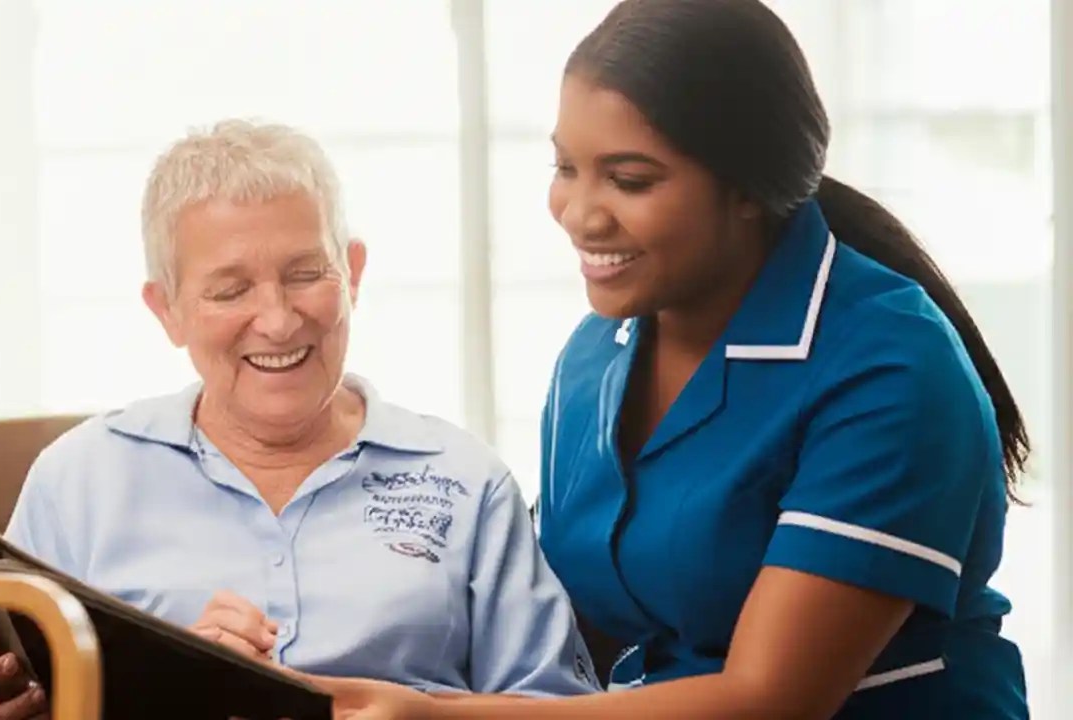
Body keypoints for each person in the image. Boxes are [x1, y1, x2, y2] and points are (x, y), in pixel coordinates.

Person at [317, 0, 1031, 718]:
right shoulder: (594, 359)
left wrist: (427, 714)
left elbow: (771, 701)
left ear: (748, 186)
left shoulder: (891, 369)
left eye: (629, 180)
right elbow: (554, 638)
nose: (579, 212)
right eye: (566, 167)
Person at [0, 120, 599, 719]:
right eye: (230, 291)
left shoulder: (467, 480)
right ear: (166, 309)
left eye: (306, 273)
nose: (279, 320)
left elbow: (556, 709)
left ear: (353, 273)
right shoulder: (79, 480)